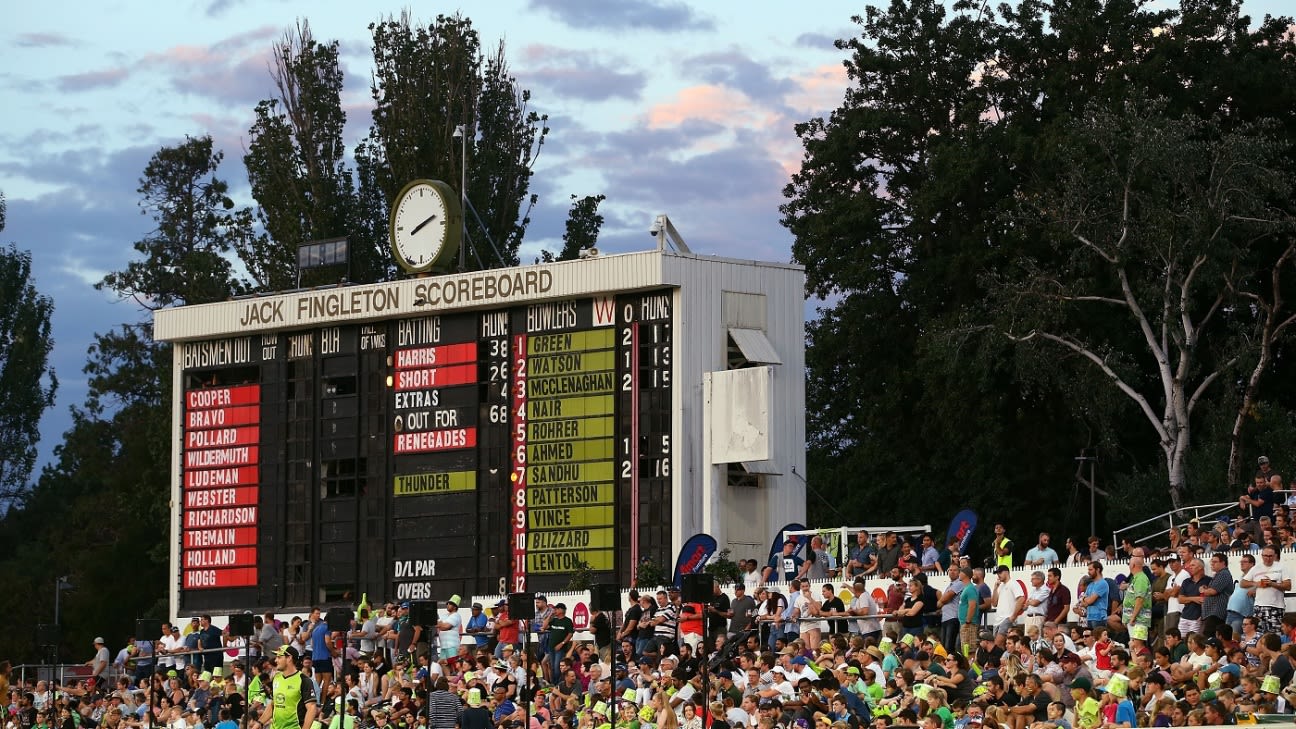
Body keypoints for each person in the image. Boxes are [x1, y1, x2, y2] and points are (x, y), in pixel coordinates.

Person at [259, 646, 317, 729]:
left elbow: (311, 708)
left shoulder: (303, 680)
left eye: (279, 657)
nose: (276, 660)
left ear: (289, 658)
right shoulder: (276, 678)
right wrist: (260, 722)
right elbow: (273, 704)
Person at [1240, 546, 1290, 635]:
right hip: (1259, 606)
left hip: (1276, 606)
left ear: (1275, 556)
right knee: (1258, 635)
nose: (1268, 558)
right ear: (1262, 556)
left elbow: (1288, 586)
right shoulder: (1256, 568)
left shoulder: (1281, 567)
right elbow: (1243, 583)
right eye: (1265, 556)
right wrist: (1256, 584)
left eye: (1270, 556)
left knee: (1275, 636)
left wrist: (1272, 584)